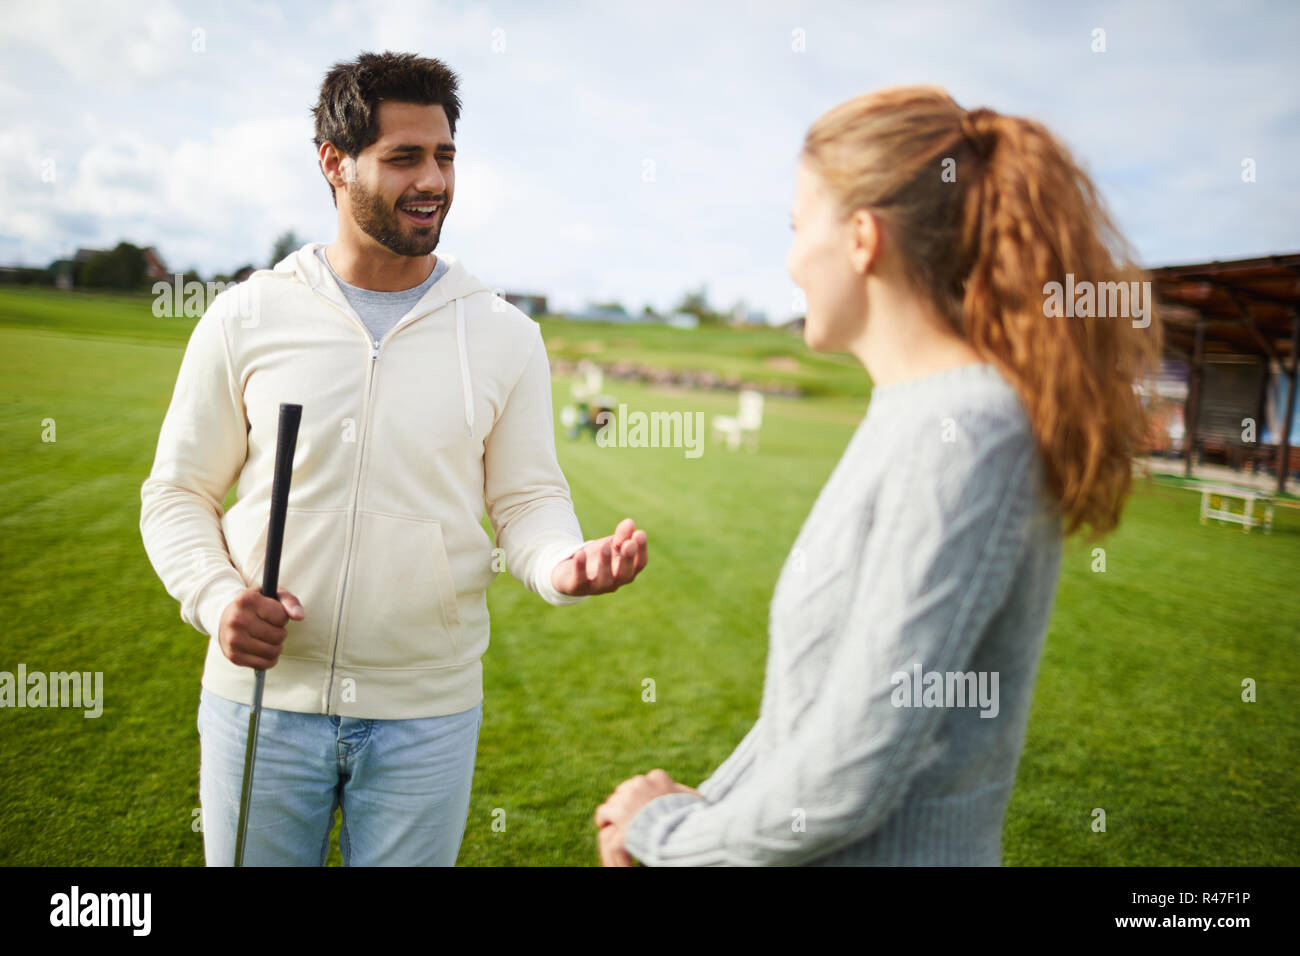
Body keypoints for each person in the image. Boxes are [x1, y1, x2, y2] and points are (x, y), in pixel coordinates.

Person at [594, 86, 1161, 866]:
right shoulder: (911, 411)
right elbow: (816, 715)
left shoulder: (969, 431)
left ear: (862, 238)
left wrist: (663, 834)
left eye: (797, 229)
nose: (790, 261)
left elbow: (848, 772)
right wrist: (694, 814)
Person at [140, 51, 647, 867]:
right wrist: (214, 596)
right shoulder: (248, 314)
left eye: (444, 155)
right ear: (334, 164)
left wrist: (562, 564)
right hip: (263, 705)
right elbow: (177, 493)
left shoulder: (502, 332)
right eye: (404, 157)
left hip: (427, 717)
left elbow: (524, 501)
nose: (433, 180)